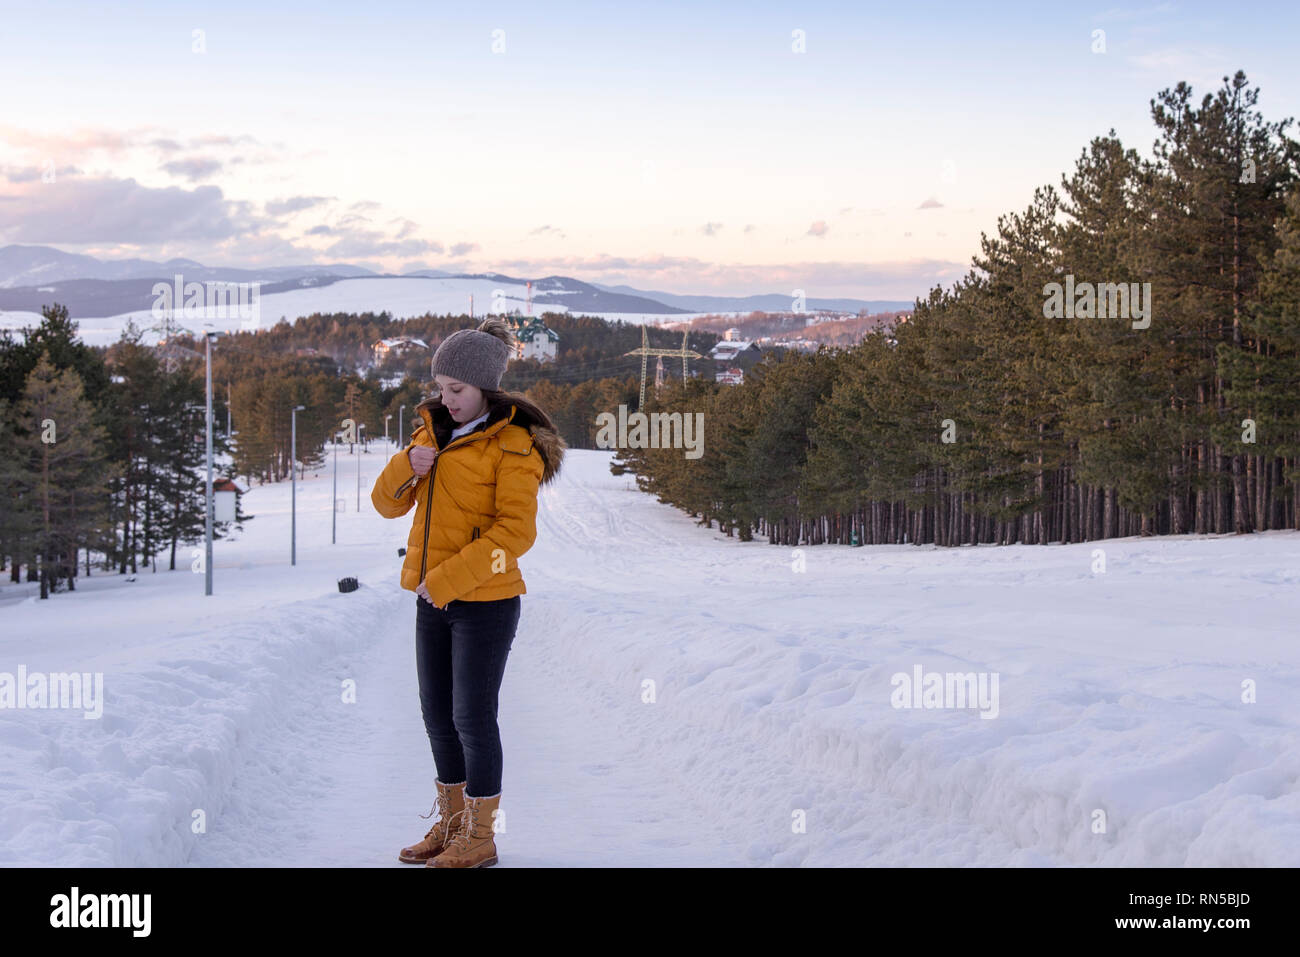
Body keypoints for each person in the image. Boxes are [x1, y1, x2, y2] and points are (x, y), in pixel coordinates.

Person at [370, 317, 565, 868]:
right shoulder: (429, 434)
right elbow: (386, 505)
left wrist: (446, 581)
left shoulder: (515, 444)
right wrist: (404, 466)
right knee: (437, 716)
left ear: (483, 386)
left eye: (456, 389)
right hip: (431, 600)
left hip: (486, 603)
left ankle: (480, 837)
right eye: (440, 388)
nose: (446, 399)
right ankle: (452, 826)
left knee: (472, 719)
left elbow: (515, 535)